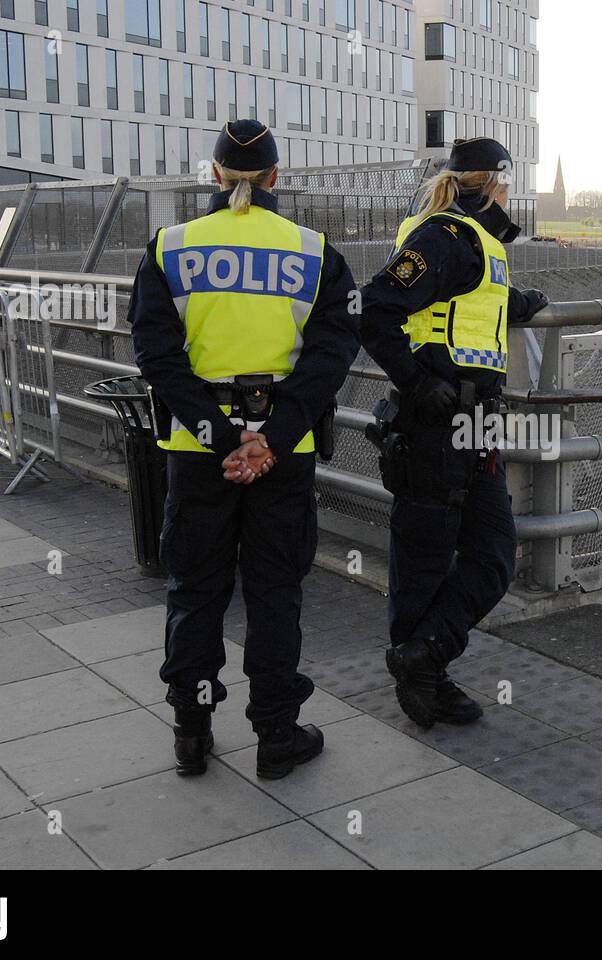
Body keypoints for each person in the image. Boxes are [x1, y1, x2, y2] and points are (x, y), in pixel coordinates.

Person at [130, 120, 360, 779]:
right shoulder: (315, 252)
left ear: (213, 174)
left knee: (195, 589)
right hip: (281, 455)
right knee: (274, 590)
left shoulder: (171, 246)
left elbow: (157, 357)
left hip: (197, 450)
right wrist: (270, 438)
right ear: (276, 179)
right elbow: (331, 354)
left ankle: (192, 734)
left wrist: (218, 434)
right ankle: (276, 736)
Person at [360, 138, 550, 729]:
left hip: (475, 422)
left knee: (493, 555)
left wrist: (519, 301)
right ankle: (427, 675)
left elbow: (469, 301)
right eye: (507, 183)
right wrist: (417, 383)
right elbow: (373, 310)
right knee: (423, 558)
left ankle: (424, 653)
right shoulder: (442, 238)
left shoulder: (477, 245)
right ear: (495, 182)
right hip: (434, 422)